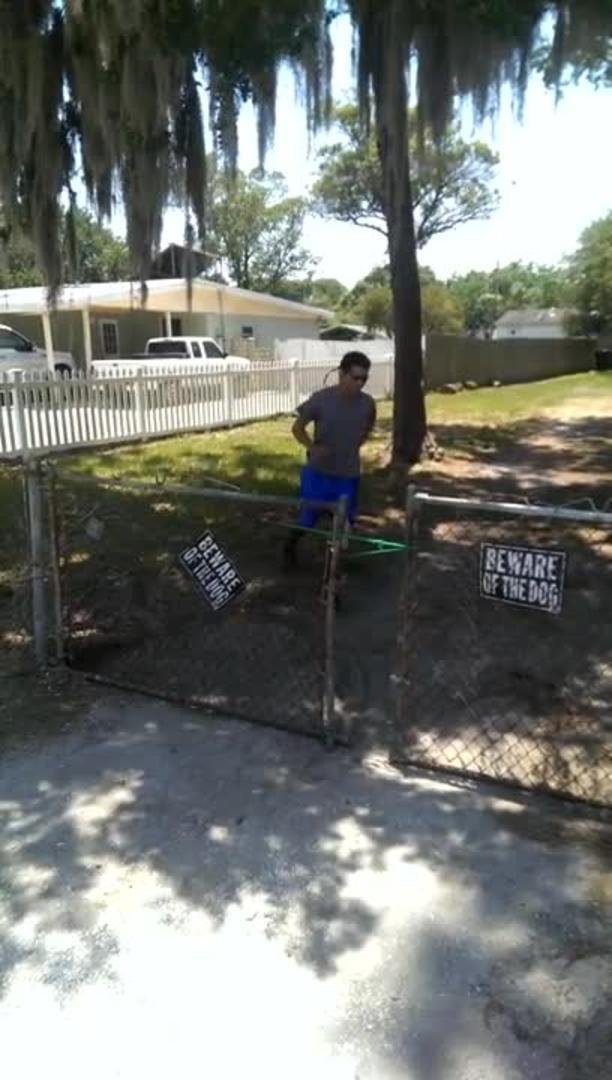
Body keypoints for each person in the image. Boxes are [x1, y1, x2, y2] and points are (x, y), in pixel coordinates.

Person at [284, 351, 376, 567]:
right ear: (341, 374)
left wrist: (355, 444)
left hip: (348, 474)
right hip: (319, 472)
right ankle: (289, 550)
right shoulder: (321, 399)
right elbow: (297, 428)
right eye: (355, 378)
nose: (360, 383)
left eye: (364, 379)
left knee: (344, 522)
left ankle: (334, 568)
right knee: (308, 519)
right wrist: (312, 447)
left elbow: (369, 425)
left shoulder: (368, 403)